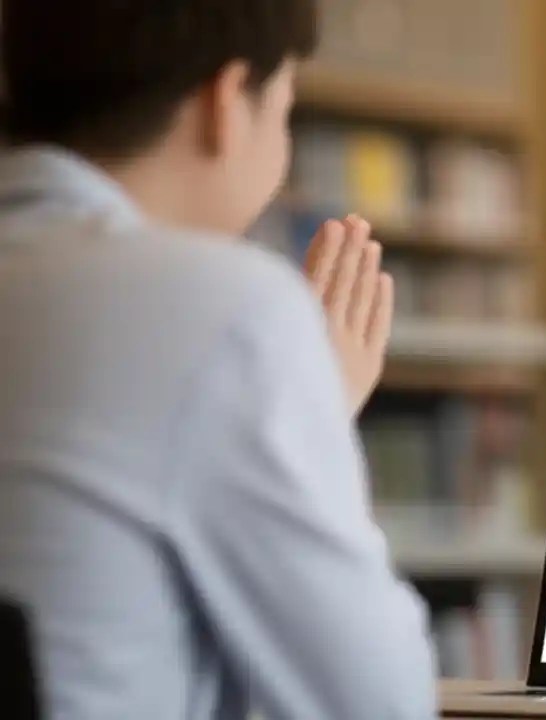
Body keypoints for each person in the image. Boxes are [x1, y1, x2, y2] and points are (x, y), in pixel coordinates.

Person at [0, 1, 437, 718]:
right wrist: (315, 418)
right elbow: (379, 701)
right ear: (228, 103)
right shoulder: (225, 309)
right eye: (285, 110)